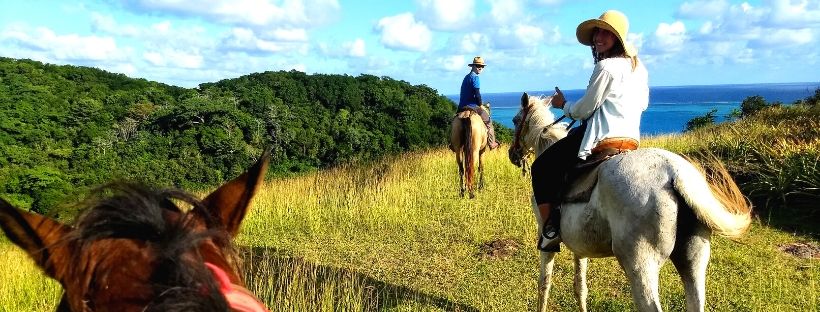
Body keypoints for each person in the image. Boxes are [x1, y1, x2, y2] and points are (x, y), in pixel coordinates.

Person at [531, 10, 649, 252]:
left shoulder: (605, 67)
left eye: (606, 32)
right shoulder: (639, 68)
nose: (598, 37)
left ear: (617, 38)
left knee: (541, 168)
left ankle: (550, 230)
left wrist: (562, 105)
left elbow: (584, 109)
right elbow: (643, 104)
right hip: (632, 140)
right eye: (597, 31)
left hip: (603, 138)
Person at [458, 56, 499, 149]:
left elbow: (462, 92)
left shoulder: (466, 77)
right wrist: (480, 105)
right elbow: (477, 94)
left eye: (482, 66)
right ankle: (492, 143)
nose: (480, 67)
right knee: (489, 122)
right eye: (478, 65)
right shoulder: (475, 78)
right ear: (473, 66)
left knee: (454, 121)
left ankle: (453, 144)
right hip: (473, 106)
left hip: (462, 105)